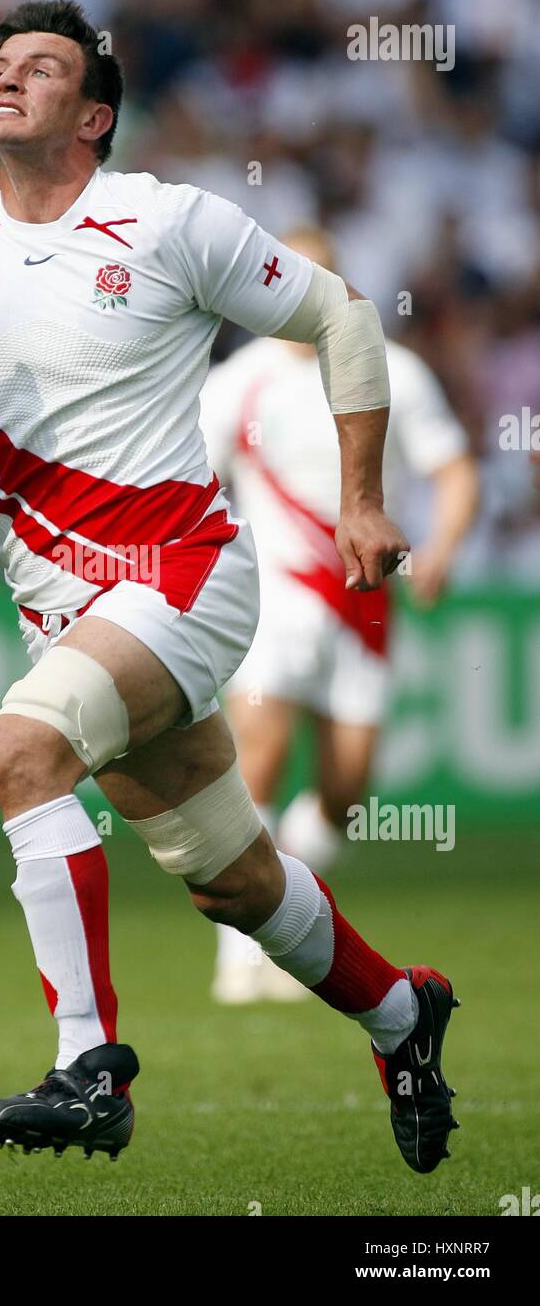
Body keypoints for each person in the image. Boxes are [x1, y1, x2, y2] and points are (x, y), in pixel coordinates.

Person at [0, 0, 460, 1172]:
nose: (6, 78)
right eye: (0, 63)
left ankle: (86, 1064)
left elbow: (342, 317)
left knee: (20, 750)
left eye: (41, 69)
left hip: (185, 574)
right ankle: (401, 1018)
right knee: (234, 881)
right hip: (65, 605)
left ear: (93, 113)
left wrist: (361, 499)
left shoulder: (165, 223)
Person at [202, 227, 479, 1005]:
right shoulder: (239, 382)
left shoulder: (392, 368)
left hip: (363, 602)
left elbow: (452, 470)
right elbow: (191, 482)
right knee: (257, 752)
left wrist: (444, 545)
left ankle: (284, 901)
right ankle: (239, 954)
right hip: (272, 596)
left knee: (345, 790)